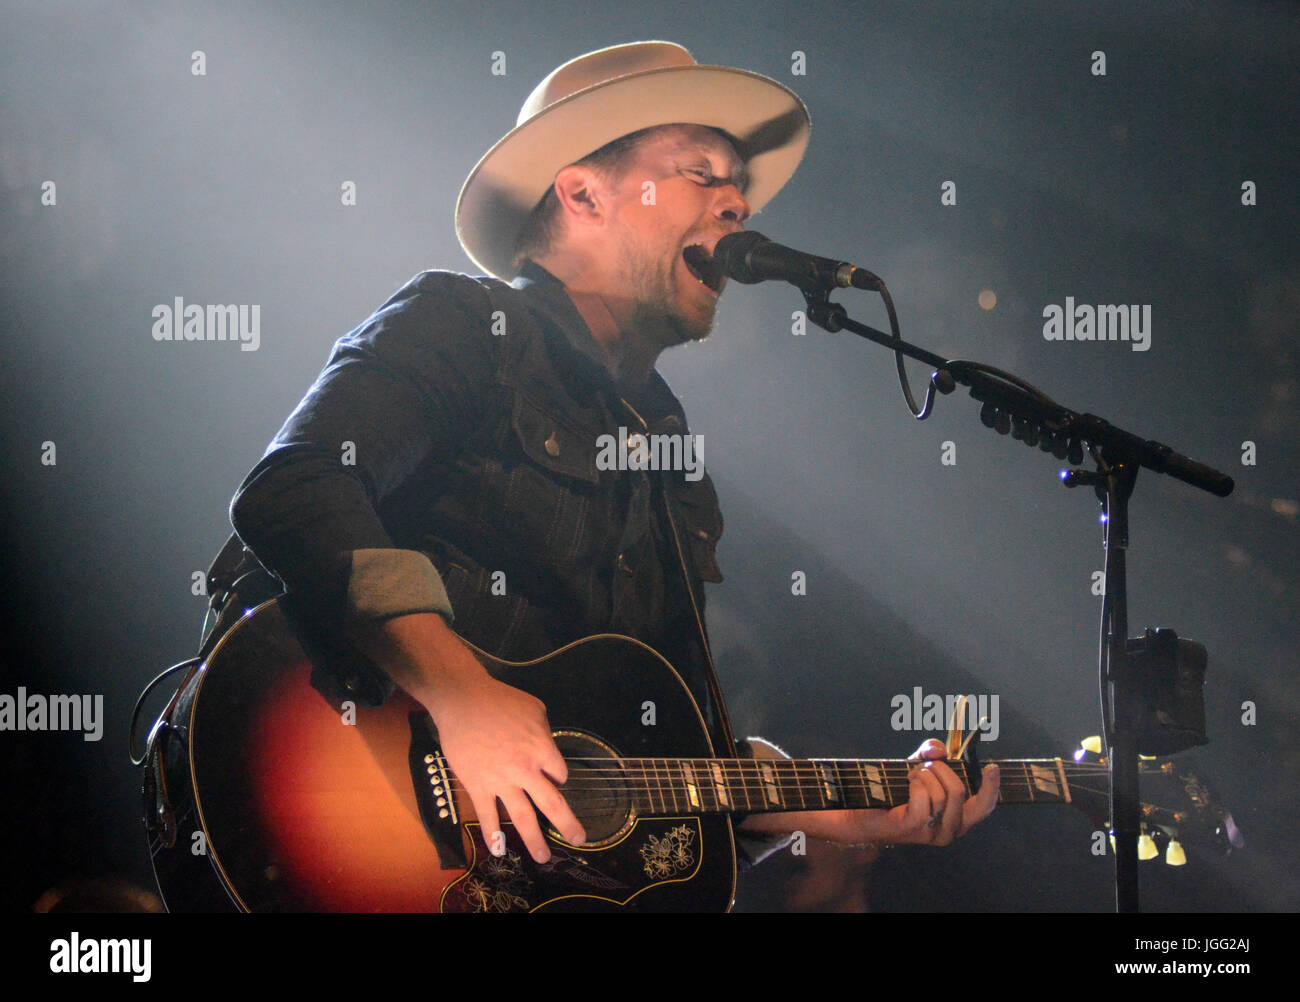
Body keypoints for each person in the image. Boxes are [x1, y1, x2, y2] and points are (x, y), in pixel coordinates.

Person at [228, 41, 998, 880]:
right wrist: (461, 694)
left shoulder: (665, 443)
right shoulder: (466, 325)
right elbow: (296, 486)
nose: (737, 201)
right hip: (355, 802)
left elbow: (665, 757)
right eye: (701, 171)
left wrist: (852, 812)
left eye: (738, 182)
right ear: (584, 192)